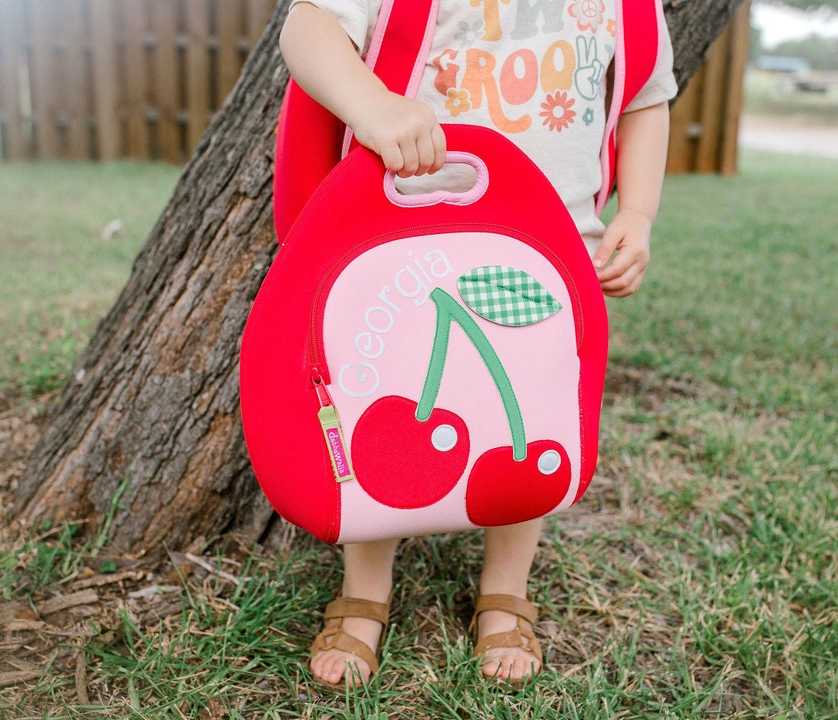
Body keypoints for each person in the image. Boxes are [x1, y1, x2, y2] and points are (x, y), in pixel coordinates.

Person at [279, 0, 677, 687]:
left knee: (526, 419)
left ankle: (505, 590)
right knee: (387, 399)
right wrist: (372, 105)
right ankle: (366, 589)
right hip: (401, 237)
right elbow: (306, 28)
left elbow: (644, 98)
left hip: (547, 249)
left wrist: (637, 214)